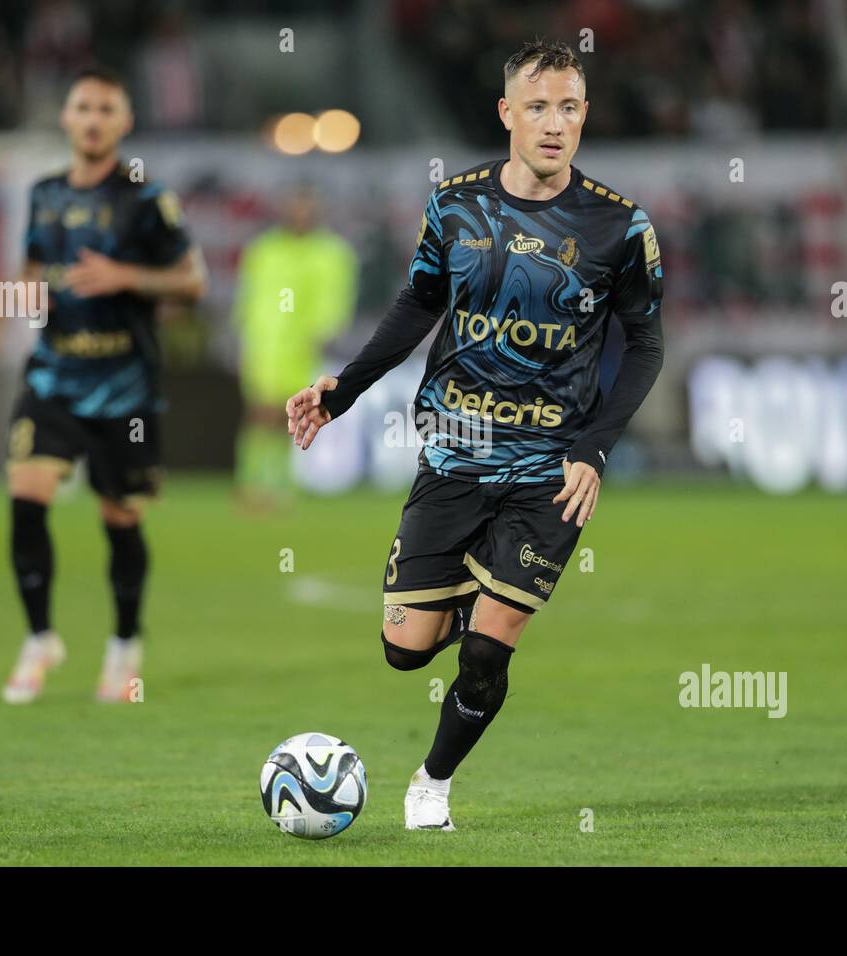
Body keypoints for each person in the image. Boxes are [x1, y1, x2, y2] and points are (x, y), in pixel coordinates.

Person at [285, 40, 665, 829]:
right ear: (507, 115)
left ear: (584, 115)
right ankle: (472, 599)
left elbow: (647, 344)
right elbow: (418, 306)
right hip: (453, 453)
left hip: (551, 470)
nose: (554, 123)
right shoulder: (454, 205)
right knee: (405, 648)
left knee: (490, 650)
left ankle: (431, 783)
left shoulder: (619, 227)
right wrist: (343, 390)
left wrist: (594, 447)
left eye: (568, 107)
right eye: (537, 107)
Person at [2, 66, 208, 704]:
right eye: (82, 107)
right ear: (66, 118)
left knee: (119, 517)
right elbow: (32, 265)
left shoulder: (146, 198)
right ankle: (40, 638)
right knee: (26, 491)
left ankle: (124, 648)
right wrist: (27, 288)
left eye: (105, 109)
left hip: (124, 385)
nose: (92, 119)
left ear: (123, 123)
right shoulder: (43, 193)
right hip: (55, 373)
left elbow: (193, 281)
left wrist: (126, 277)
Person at [232, 187, 356, 510]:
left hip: (305, 348)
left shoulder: (331, 252)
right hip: (265, 344)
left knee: (294, 414)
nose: (300, 213)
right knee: (260, 413)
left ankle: (278, 484)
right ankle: (252, 483)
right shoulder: (265, 249)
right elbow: (249, 295)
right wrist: (245, 332)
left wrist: (324, 330)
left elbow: (335, 301)